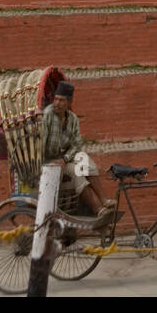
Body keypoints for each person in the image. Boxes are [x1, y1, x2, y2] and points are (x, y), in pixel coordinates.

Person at [41, 81, 115, 222]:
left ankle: (103, 200)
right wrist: (50, 161)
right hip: (51, 160)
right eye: (55, 99)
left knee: (86, 162)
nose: (57, 103)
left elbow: (77, 143)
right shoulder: (48, 115)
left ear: (69, 103)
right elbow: (41, 144)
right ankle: (98, 209)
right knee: (77, 172)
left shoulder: (73, 119)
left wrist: (66, 158)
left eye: (61, 100)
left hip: (65, 158)